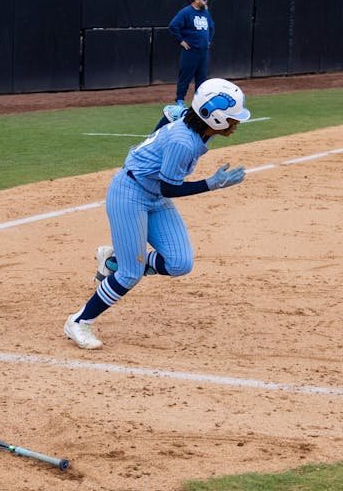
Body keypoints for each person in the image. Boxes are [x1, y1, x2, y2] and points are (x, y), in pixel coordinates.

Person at [63, 78, 250, 349]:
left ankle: (114, 260)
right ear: (215, 118)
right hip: (130, 194)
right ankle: (79, 321)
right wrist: (211, 184)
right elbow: (170, 187)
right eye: (233, 118)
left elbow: (166, 129)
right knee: (131, 274)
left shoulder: (193, 126)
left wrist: (165, 121)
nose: (237, 123)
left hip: (153, 195)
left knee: (180, 263)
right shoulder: (184, 142)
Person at [168, 0, 214, 106]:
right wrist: (181, 40)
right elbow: (173, 26)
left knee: (202, 78)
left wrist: (208, 40)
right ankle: (180, 100)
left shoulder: (206, 13)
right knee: (185, 76)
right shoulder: (186, 12)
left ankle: (199, 101)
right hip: (190, 51)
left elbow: (212, 26)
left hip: (203, 52)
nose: (206, 1)